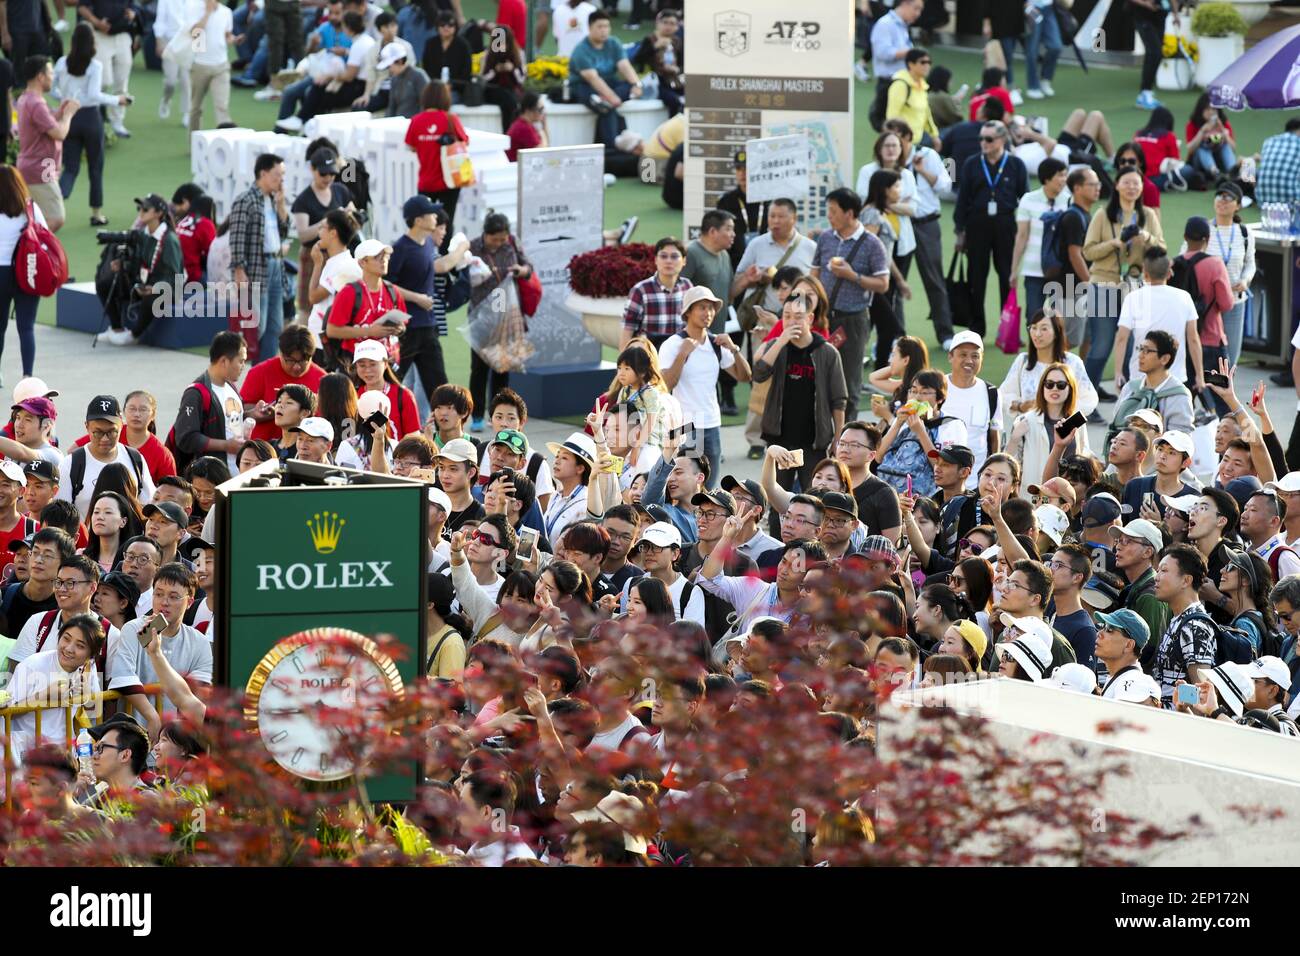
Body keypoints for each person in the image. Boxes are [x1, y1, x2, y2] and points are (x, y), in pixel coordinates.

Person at [752, 277, 847, 494]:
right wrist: (780, 341)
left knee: (814, 497)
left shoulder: (826, 352)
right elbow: (758, 374)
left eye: (798, 317)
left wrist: (838, 438)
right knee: (777, 496)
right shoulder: (778, 348)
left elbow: (839, 399)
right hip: (780, 438)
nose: (791, 321)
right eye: (786, 316)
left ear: (810, 318)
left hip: (813, 441)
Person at [1081, 167, 1164, 393]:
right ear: (1117, 185)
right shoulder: (1103, 215)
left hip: (1134, 286)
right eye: (1126, 183)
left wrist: (1146, 237)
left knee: (1132, 347)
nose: (1132, 187)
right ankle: (1083, 402)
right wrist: (1114, 244)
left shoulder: (1147, 215)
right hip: (1104, 283)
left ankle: (1126, 400)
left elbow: (1162, 248)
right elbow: (1087, 252)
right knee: (1102, 344)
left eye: (1136, 183)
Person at [658, 288, 749, 489]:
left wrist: (734, 349)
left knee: (709, 484)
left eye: (711, 308)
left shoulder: (717, 344)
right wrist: (682, 355)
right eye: (702, 307)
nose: (707, 312)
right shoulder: (673, 345)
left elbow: (744, 377)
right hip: (684, 426)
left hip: (712, 424)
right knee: (683, 486)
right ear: (688, 312)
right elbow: (665, 385)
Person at [812, 186, 890, 419]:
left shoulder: (872, 243)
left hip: (853, 320)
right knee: (819, 377)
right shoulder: (826, 238)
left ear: (850, 213)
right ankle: (823, 432)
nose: (829, 216)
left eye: (834, 211)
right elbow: (814, 274)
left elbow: (883, 283)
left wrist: (852, 276)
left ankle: (849, 437)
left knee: (849, 382)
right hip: (824, 318)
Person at [953, 119, 1028, 336]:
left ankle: (1008, 330)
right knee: (977, 278)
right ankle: (977, 327)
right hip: (977, 226)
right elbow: (963, 200)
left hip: (1006, 224)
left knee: (1008, 276)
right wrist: (960, 232)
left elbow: (1025, 198)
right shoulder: (971, 164)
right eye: (981, 139)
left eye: (988, 139)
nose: (983, 143)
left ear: (1002, 139)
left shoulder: (1015, 165)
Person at [53, 24, 124, 228]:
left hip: (69, 117)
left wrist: (64, 99)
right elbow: (94, 95)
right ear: (92, 42)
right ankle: (96, 214)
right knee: (96, 167)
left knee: (70, 168)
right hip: (91, 118)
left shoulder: (61, 63)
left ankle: (54, 207)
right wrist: (116, 99)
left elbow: (53, 89)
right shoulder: (95, 66)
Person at [466, 212, 532, 425]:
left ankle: (498, 415)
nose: (499, 243)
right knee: (479, 368)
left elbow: (527, 267)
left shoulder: (512, 244)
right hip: (481, 314)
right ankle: (476, 416)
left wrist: (521, 270)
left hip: (507, 313)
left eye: (502, 239)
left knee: (502, 367)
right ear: (486, 234)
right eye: (495, 239)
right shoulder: (472, 247)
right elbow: (461, 278)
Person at [1113, 248, 1203, 401]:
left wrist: (1118, 373)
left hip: (1140, 376)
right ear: (1169, 273)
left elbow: (1122, 338)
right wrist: (1200, 375)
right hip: (1175, 378)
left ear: (1145, 273)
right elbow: (1193, 339)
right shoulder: (1184, 297)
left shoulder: (1133, 298)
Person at [228, 152, 289, 363]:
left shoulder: (273, 200)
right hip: (255, 267)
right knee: (257, 326)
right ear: (262, 173)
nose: (280, 180)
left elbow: (283, 231)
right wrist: (238, 269)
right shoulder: (245, 200)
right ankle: (254, 371)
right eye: (277, 175)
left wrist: (281, 206)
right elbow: (236, 237)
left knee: (275, 325)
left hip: (275, 264)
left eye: (282, 175)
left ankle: (264, 369)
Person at [680, 210, 738, 414]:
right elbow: (681, 292)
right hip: (693, 337)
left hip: (715, 335)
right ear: (713, 231)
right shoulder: (692, 254)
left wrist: (748, 279)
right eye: (728, 229)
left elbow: (728, 293)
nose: (733, 234)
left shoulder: (724, 255)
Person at [1000, 310, 1097, 432]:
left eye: (1044, 329)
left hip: (1063, 435)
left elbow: (1090, 401)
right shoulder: (1023, 361)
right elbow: (1003, 395)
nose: (1037, 334)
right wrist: (1020, 406)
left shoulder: (1073, 362)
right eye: (1033, 328)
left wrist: (1065, 427)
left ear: (1057, 332)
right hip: (1029, 434)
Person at [875, 369, 966, 498]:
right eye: (913, 391)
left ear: (940, 398)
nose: (917, 397)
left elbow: (943, 468)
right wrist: (897, 424)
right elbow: (877, 457)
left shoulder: (951, 425)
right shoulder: (902, 420)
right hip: (889, 494)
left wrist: (921, 432)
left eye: (924, 392)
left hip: (926, 499)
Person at [1176, 217, 1234, 417]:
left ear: (1185, 237)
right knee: (1222, 401)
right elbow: (1226, 304)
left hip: (1181, 345)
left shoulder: (1175, 265)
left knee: (1184, 405)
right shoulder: (1215, 264)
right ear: (1207, 239)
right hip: (1211, 342)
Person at [58, 396, 155, 516]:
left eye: (112, 432)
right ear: (87, 427)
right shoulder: (70, 465)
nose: (105, 439)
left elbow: (148, 505)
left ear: (121, 426)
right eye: (97, 432)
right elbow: (62, 516)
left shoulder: (135, 459)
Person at [1005, 362, 1090, 493]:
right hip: (1035, 497)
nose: (1054, 389)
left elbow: (1084, 454)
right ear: (1042, 387)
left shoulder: (1076, 422)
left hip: (1068, 496)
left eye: (1061, 385)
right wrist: (1014, 439)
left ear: (1070, 388)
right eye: (1049, 384)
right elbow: (1008, 463)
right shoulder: (1025, 421)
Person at [16, 55, 77, 233]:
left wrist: (60, 112)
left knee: (35, 216)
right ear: (40, 77)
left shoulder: (27, 99)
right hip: (40, 169)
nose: (53, 77)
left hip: (35, 166)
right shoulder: (35, 103)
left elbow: (45, 122)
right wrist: (68, 115)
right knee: (55, 217)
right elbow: (59, 133)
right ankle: (28, 248)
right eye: (50, 73)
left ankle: (29, 249)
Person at [567, 9, 643, 150]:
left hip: (608, 83)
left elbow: (624, 66)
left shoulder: (613, 43)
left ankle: (615, 143)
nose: (604, 31)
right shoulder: (581, 50)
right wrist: (611, 97)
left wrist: (636, 84)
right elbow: (592, 78)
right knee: (605, 108)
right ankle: (611, 148)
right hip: (583, 86)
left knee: (628, 86)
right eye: (600, 27)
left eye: (606, 26)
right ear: (590, 28)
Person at [1150, 543, 1214, 705]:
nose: (1156, 577)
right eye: (1158, 571)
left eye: (1163, 571)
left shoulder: (1194, 626)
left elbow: (1202, 694)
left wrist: (1180, 709)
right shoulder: (1180, 619)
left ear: (1186, 580)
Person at [1011, 157, 1068, 323]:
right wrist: (1014, 269)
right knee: (1033, 318)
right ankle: (1034, 349)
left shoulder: (1069, 201)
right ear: (1047, 178)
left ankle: (1057, 350)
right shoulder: (1028, 200)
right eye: (1060, 175)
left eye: (1065, 175)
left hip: (1061, 270)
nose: (1064, 180)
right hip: (1033, 269)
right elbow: (1021, 236)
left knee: (1060, 320)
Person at [405, 80, 468, 227]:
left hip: (425, 181)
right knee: (446, 222)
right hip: (449, 181)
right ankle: (444, 250)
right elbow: (464, 142)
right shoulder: (451, 119)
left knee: (425, 223)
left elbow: (411, 146)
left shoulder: (416, 121)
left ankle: (427, 250)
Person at [620, 237, 691, 351]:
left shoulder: (688, 287)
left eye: (674, 256)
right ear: (656, 260)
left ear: (684, 261)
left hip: (680, 359)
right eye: (663, 256)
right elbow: (627, 332)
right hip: (648, 359)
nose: (668, 261)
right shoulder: (641, 290)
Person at [79, 0, 134, 138]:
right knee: (103, 82)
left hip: (122, 35)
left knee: (122, 81)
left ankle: (117, 122)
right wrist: (96, 22)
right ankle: (96, 120)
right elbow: (82, 7)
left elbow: (133, 8)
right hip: (100, 36)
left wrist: (132, 14)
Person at [716, 149, 769, 272]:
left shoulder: (768, 200)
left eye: (747, 169)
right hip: (735, 265)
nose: (742, 173)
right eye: (739, 169)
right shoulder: (726, 201)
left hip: (766, 263)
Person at [188, 0, 236, 131]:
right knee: (195, 108)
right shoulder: (194, 7)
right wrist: (207, 13)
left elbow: (227, 35)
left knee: (222, 107)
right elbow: (195, 35)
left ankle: (225, 144)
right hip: (199, 65)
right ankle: (194, 145)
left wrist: (232, 39)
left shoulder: (226, 12)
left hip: (221, 65)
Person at [629, 8, 682, 116]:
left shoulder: (677, 41)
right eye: (665, 22)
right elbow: (637, 60)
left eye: (672, 23)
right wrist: (655, 47)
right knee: (674, 100)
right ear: (658, 24)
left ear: (677, 27)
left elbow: (683, 63)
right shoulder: (649, 40)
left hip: (674, 81)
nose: (668, 26)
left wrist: (677, 69)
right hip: (655, 82)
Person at [1129, 0, 1181, 111]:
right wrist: (1145, 3)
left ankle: (1145, 94)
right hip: (1143, 16)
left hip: (1160, 17)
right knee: (1154, 52)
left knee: (1157, 54)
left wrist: (1176, 15)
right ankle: (1145, 93)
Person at [884, 47, 939, 150]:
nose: (927, 66)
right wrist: (896, 141)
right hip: (901, 143)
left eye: (929, 62)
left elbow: (926, 113)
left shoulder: (922, 86)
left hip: (916, 141)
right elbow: (892, 116)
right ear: (911, 64)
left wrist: (934, 135)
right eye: (923, 62)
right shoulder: (900, 85)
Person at [1094, 608, 1151, 700]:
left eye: (1109, 629)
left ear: (1129, 645)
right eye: (1103, 627)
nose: (1099, 633)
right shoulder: (1122, 678)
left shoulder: (1132, 685)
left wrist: (1183, 700)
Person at [477, 22, 523, 127]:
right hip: (493, 90)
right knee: (508, 99)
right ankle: (509, 133)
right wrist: (495, 70)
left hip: (512, 89)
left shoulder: (518, 54)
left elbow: (521, 79)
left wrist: (512, 69)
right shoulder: (488, 54)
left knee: (512, 98)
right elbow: (483, 77)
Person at [1184, 93, 1237, 179]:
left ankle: (1233, 171)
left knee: (1225, 145)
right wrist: (1202, 132)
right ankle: (1215, 173)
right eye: (1207, 109)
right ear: (1201, 110)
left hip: (1219, 158)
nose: (1211, 112)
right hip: (1198, 162)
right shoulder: (1192, 124)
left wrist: (1223, 132)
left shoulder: (1223, 123)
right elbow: (1190, 150)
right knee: (1203, 147)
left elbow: (1233, 148)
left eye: (1214, 109)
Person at [421, 10, 471, 98]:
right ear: (437, 26)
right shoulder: (430, 43)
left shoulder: (463, 45)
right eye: (442, 25)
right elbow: (426, 68)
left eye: (450, 25)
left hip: (456, 89)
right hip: (433, 88)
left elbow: (466, 72)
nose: (446, 28)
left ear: (455, 27)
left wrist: (451, 85)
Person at [505, 91, 548, 162]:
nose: (542, 113)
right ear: (528, 110)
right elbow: (542, 152)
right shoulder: (523, 128)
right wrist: (543, 128)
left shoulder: (524, 124)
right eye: (540, 109)